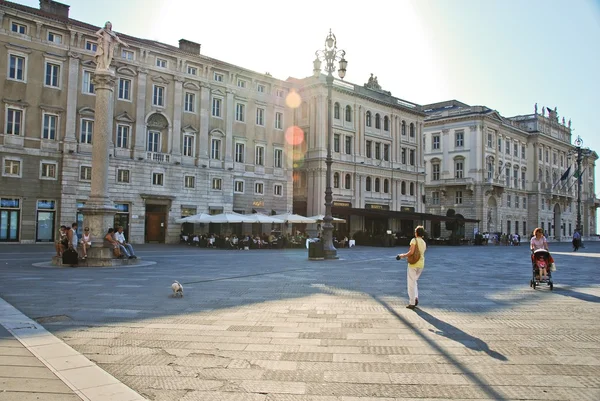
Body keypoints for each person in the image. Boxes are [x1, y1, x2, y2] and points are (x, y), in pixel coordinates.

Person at [397, 225, 427, 310]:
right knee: (414, 281)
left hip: (413, 264)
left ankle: (412, 302)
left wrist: (402, 255)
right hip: (421, 264)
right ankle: (416, 297)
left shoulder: (414, 240)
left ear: (416, 233)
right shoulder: (424, 242)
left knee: (411, 283)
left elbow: (411, 252)